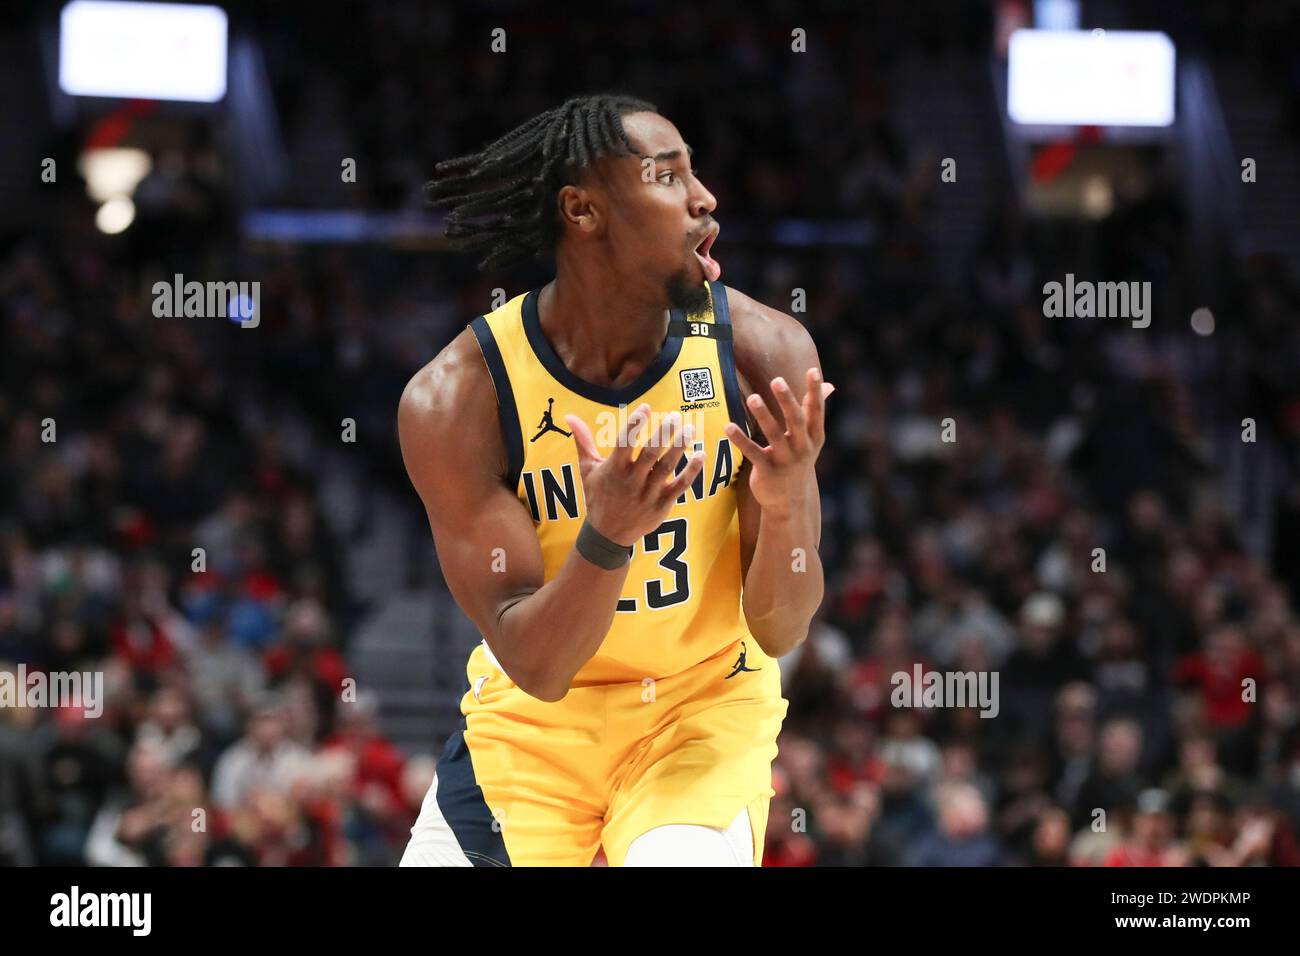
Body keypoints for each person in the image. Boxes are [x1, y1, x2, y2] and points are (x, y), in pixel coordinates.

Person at [397, 93, 831, 866]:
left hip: (698, 716)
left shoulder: (764, 355)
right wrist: (607, 536)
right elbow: (536, 665)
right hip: (534, 731)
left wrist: (788, 500)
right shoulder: (460, 397)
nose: (705, 199)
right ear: (583, 211)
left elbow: (780, 629)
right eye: (667, 177)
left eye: (695, 175)